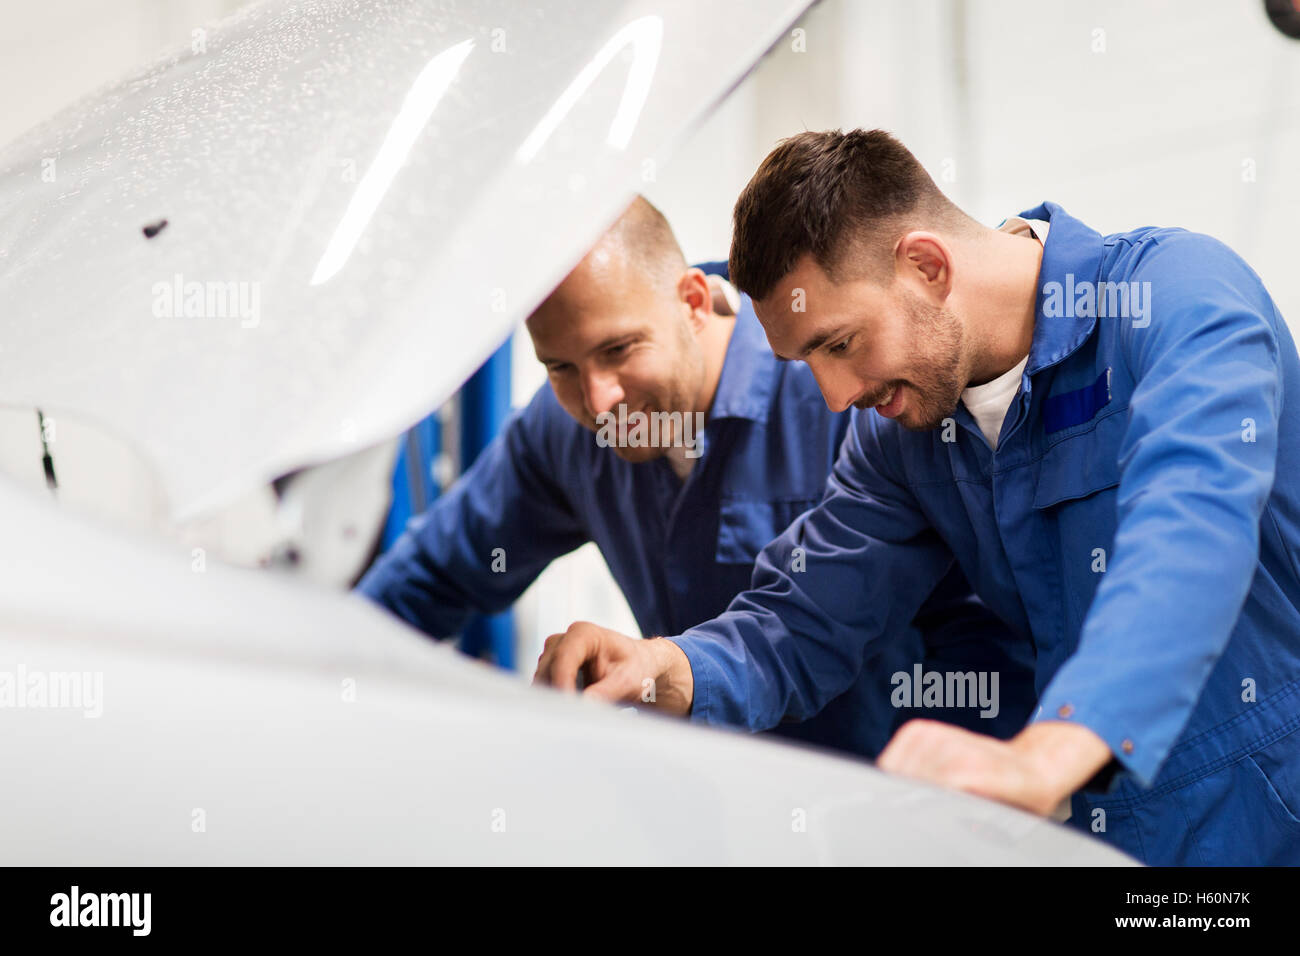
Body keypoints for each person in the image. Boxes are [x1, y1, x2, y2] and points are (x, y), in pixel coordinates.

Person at [534, 131, 1300, 866]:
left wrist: (1053, 749)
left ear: (927, 266)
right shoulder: (903, 438)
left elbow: (1190, 532)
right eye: (806, 362)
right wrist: (661, 668)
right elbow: (804, 617)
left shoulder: (1174, 300)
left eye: (839, 344)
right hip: (1111, 840)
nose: (835, 397)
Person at [359, 196, 1034, 758]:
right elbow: (429, 579)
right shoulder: (563, 431)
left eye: (618, 349)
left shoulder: (845, 392)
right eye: (559, 367)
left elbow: (982, 630)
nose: (599, 402)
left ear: (690, 301)